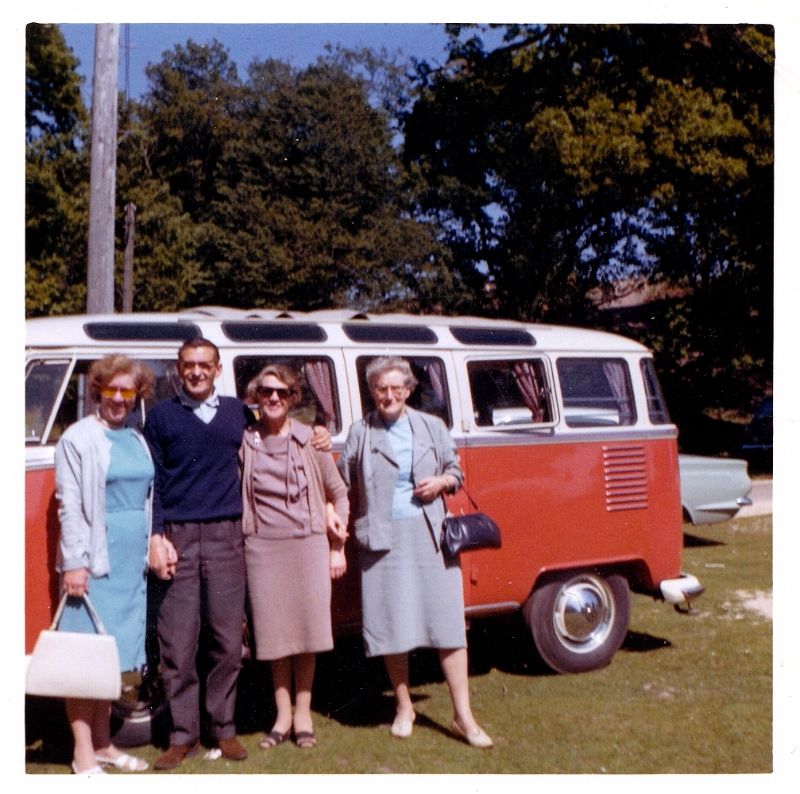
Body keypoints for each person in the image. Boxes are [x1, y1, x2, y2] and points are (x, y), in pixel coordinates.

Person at [144, 339, 331, 770]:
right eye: (188, 365)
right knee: (177, 643)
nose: (196, 371)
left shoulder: (237, 414)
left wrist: (318, 431)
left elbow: (279, 422)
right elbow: (153, 483)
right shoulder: (161, 416)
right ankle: (182, 735)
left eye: (204, 364)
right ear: (178, 369)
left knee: (228, 642)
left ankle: (223, 729)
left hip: (228, 536)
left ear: (217, 369)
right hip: (178, 537)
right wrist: (155, 536)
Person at [338, 356, 493, 748]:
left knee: (448, 626)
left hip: (430, 536)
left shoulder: (431, 426)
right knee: (392, 626)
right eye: (381, 389)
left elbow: (456, 472)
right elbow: (340, 481)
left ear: (408, 390)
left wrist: (440, 482)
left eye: (396, 388)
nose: (389, 396)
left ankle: (463, 715)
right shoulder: (360, 432)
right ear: (372, 392)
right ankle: (404, 707)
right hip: (381, 540)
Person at [54, 355, 156, 774]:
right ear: (97, 391)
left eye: (126, 390)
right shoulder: (77, 438)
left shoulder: (136, 438)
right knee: (85, 661)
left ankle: (103, 744)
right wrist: (74, 564)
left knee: (110, 660)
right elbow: (70, 507)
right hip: (94, 564)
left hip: (130, 566)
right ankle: (82, 754)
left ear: (136, 395)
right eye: (110, 389)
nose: (118, 397)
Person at [239, 365, 349, 750]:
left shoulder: (310, 441)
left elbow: (339, 493)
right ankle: (282, 716)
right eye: (266, 391)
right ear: (256, 397)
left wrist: (337, 545)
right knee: (274, 637)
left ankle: (303, 715)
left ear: (292, 398)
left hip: (307, 546)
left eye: (281, 392)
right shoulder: (246, 441)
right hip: (262, 549)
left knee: (306, 634)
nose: (273, 398)